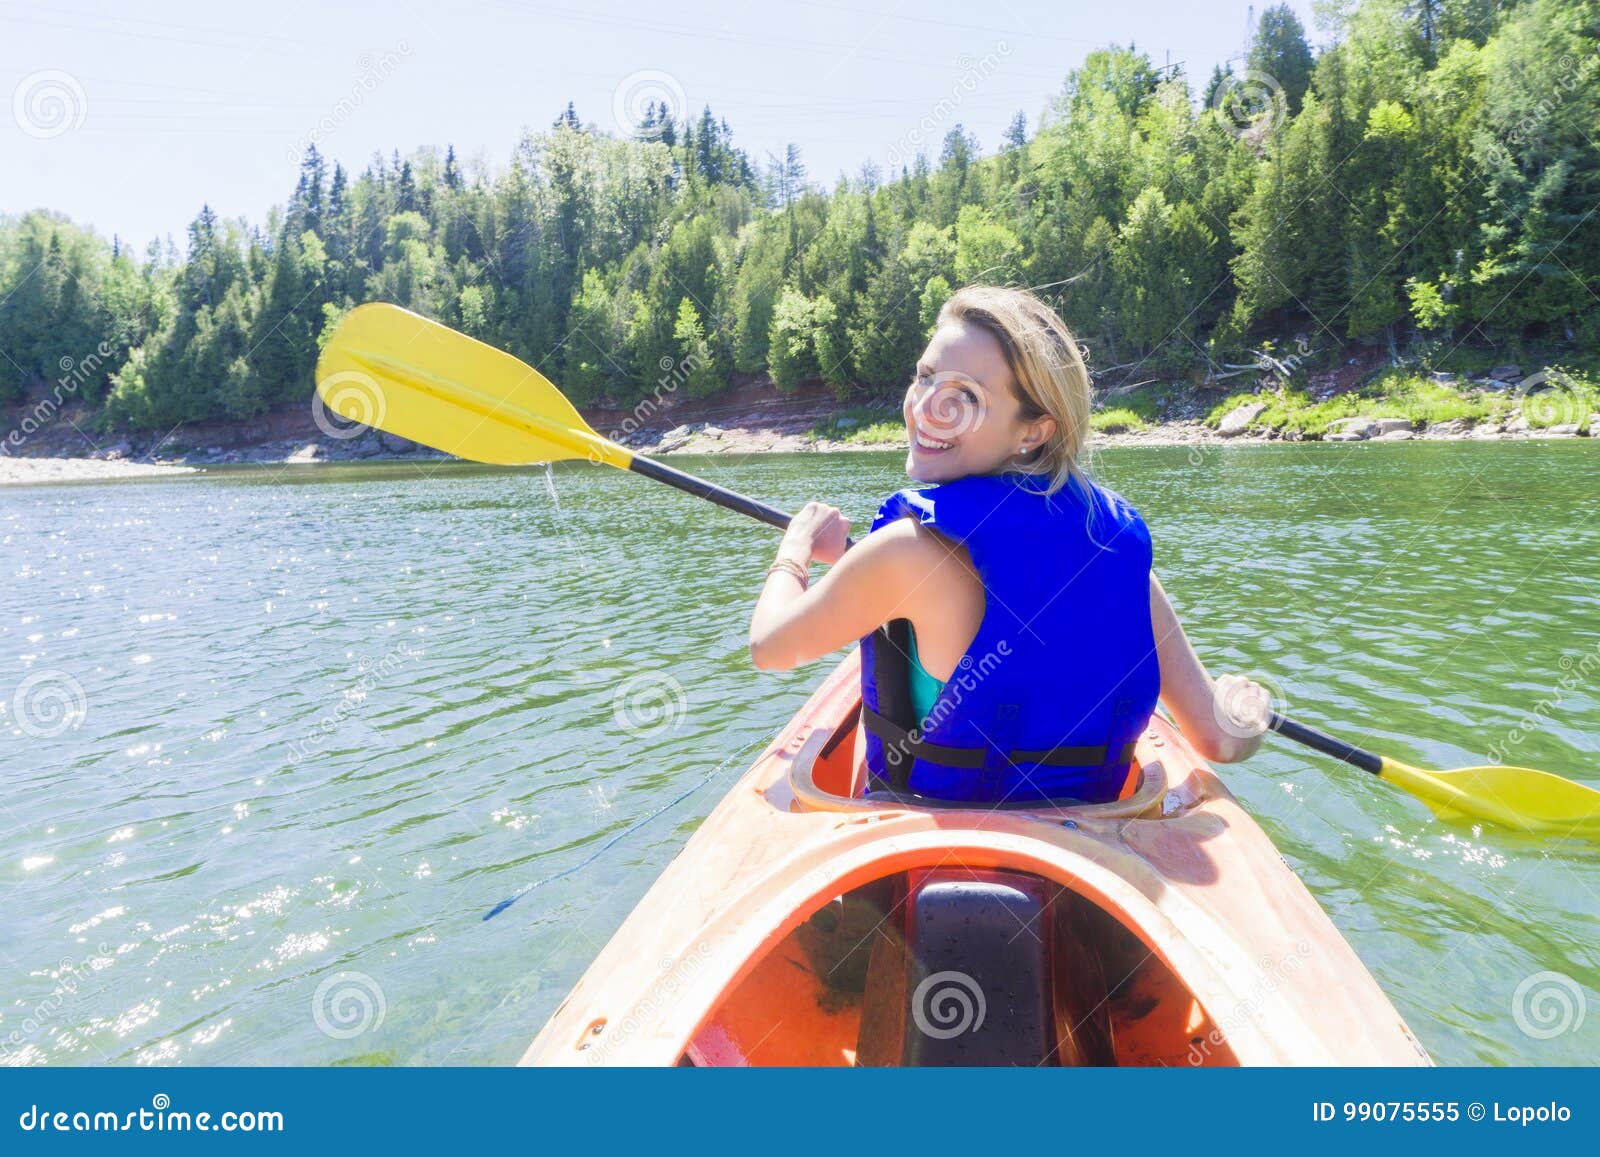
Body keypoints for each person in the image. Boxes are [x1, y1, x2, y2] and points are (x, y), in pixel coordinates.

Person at [749, 285, 1270, 804]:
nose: (929, 409)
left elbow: (770, 648)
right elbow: (1223, 738)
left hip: (931, 860)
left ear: (1035, 430)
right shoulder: (1112, 553)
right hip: (1086, 855)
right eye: (926, 377)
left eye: (968, 397)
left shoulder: (901, 553)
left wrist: (794, 551)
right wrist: (1249, 704)